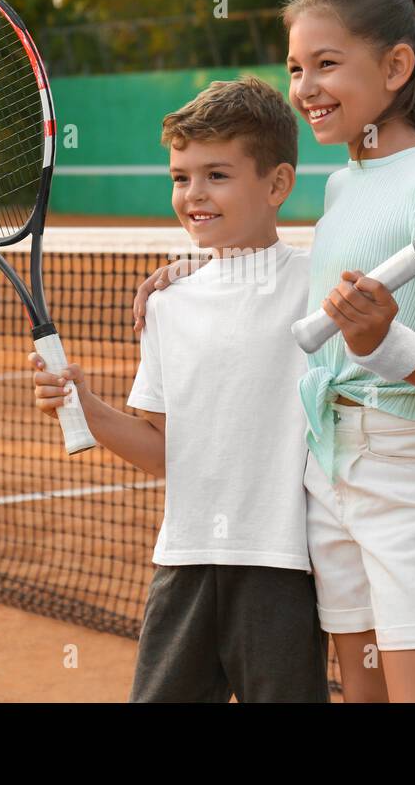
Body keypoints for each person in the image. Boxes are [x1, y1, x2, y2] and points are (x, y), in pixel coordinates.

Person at [136, 0, 415, 703]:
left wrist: (383, 344)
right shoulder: (341, 186)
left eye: (327, 64)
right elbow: (296, 274)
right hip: (329, 478)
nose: (305, 86)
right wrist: (198, 268)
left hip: (413, 479)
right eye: (297, 67)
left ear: (396, 66)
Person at [28, 75, 329, 702]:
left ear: (277, 184)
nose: (194, 194)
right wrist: (85, 403)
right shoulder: (167, 305)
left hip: (282, 571)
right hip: (184, 563)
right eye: (180, 176)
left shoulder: (319, 278)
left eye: (217, 175)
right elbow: (161, 447)